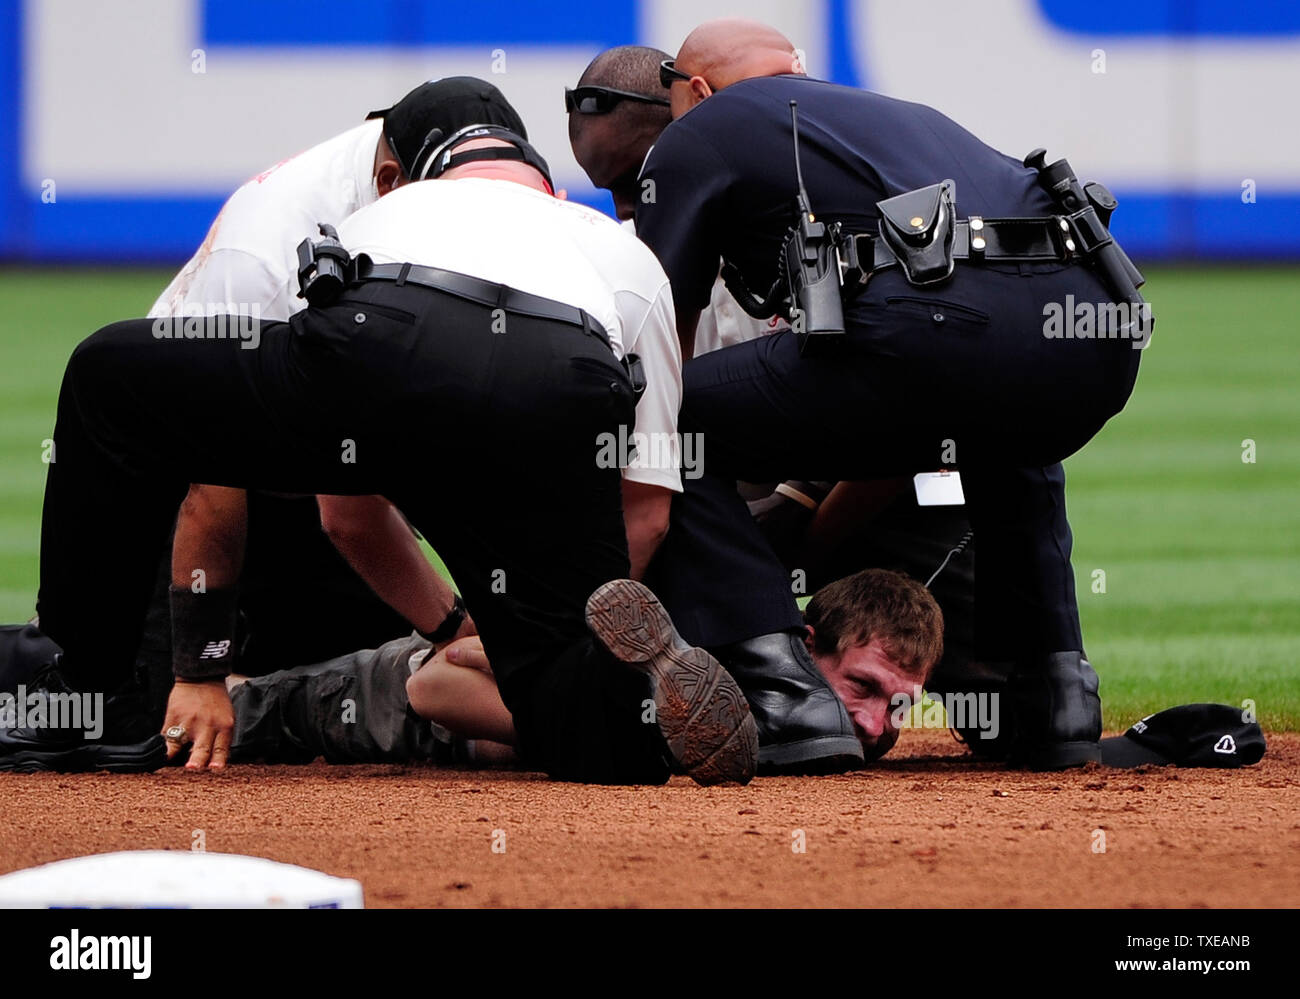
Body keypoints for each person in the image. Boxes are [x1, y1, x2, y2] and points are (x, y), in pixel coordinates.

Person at [1, 83, 758, 786]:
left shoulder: (376, 215)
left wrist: (203, 658)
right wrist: (544, 616)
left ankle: (93, 693)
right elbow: (648, 507)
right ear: (546, 184)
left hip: (387, 344)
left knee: (109, 377)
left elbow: (343, 511)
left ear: (411, 174)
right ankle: (624, 717)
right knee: (561, 685)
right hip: (561, 382)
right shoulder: (617, 250)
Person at [636, 19, 1146, 770]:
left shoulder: (703, 127)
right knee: (1012, 439)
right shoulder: (904, 117)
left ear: (699, 90)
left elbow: (664, 338)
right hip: (1095, 342)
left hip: (933, 332)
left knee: (670, 424)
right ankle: (1054, 694)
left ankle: (783, 688)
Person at [136, 79, 530, 728]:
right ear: (389, 180)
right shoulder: (264, 257)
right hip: (183, 484)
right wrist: (199, 668)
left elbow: (368, 487)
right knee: (149, 718)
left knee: (368, 675)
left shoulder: (454, 197)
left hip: (302, 467)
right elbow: (213, 474)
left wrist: (457, 624)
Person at [228, 568, 942, 768]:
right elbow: (434, 682)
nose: (875, 725)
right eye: (863, 687)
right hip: (380, 698)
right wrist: (592, 724)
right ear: (803, 644)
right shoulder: (708, 666)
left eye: (901, 706)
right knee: (229, 720)